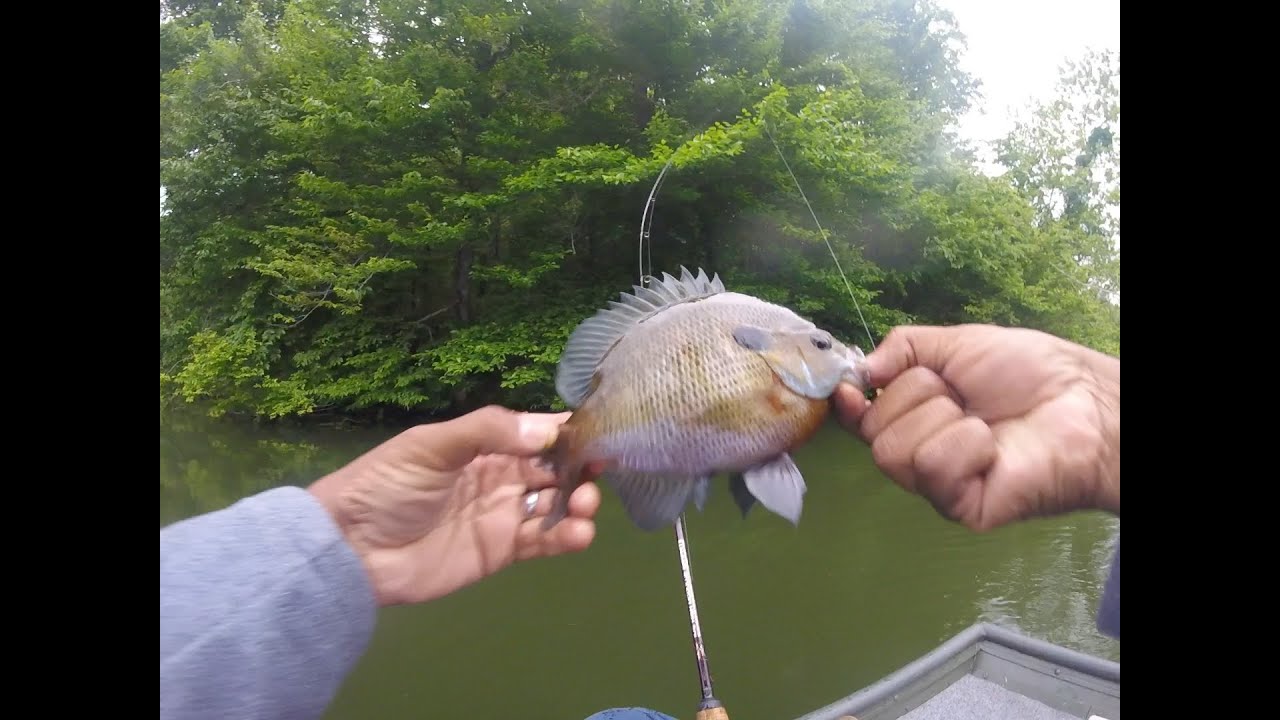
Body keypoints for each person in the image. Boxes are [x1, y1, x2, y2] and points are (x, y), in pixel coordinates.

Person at [160, 323, 1118, 720]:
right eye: (819, 344)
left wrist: (330, 546)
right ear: (775, 348)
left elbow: (770, 455)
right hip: (622, 435)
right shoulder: (759, 366)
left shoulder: (792, 386)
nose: (840, 355)